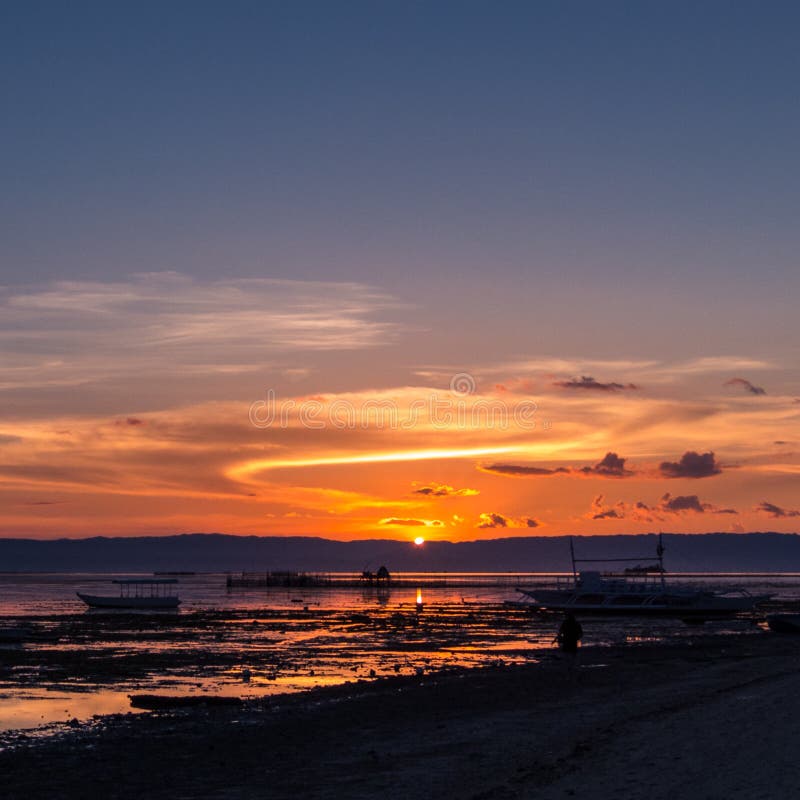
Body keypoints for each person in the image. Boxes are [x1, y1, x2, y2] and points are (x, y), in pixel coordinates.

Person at [555, 612, 583, 677]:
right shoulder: (576, 623)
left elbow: (560, 632)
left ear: (567, 616)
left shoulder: (565, 623)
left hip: (566, 641)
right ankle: (572, 667)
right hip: (573, 641)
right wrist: (577, 638)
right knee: (573, 655)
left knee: (566, 655)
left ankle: (569, 668)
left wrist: (558, 639)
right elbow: (581, 633)